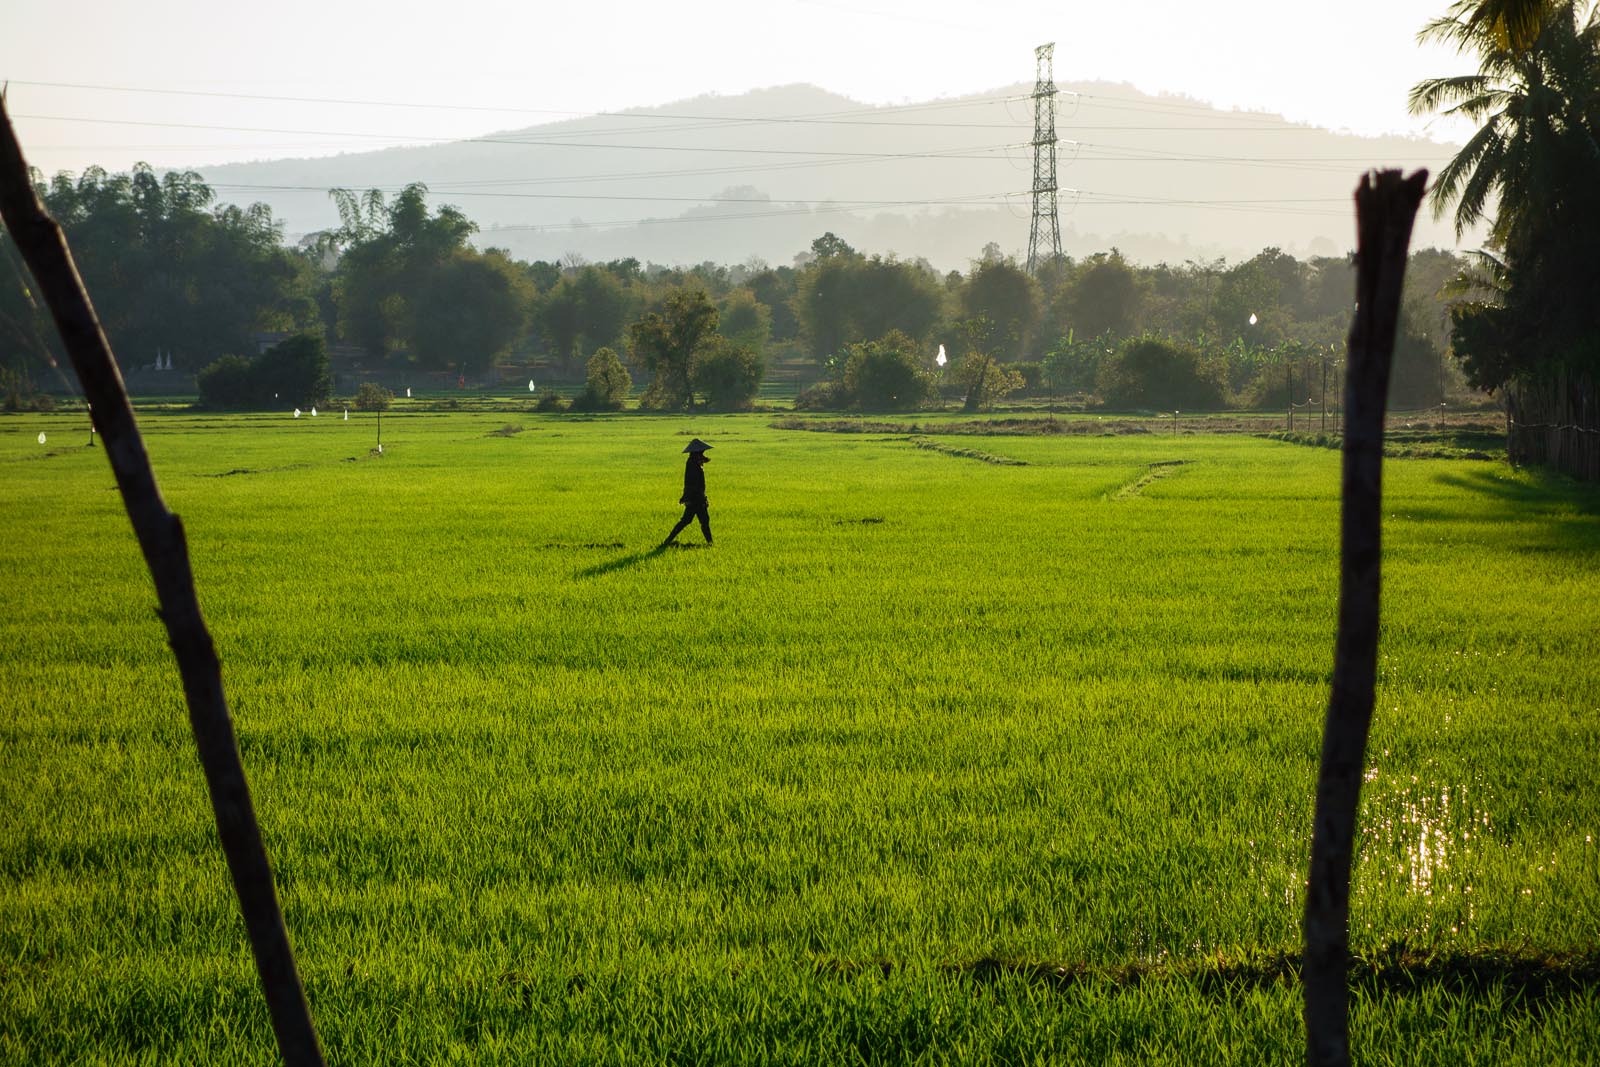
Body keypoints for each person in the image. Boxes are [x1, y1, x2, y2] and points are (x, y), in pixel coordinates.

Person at [661, 438, 713, 546]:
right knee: (688, 521)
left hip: (696, 498)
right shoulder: (692, 464)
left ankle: (710, 543)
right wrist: (688, 497)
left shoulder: (695, 462)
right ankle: (668, 540)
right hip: (695, 499)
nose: (703, 454)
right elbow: (690, 483)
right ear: (696, 453)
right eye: (701, 452)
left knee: (701, 521)